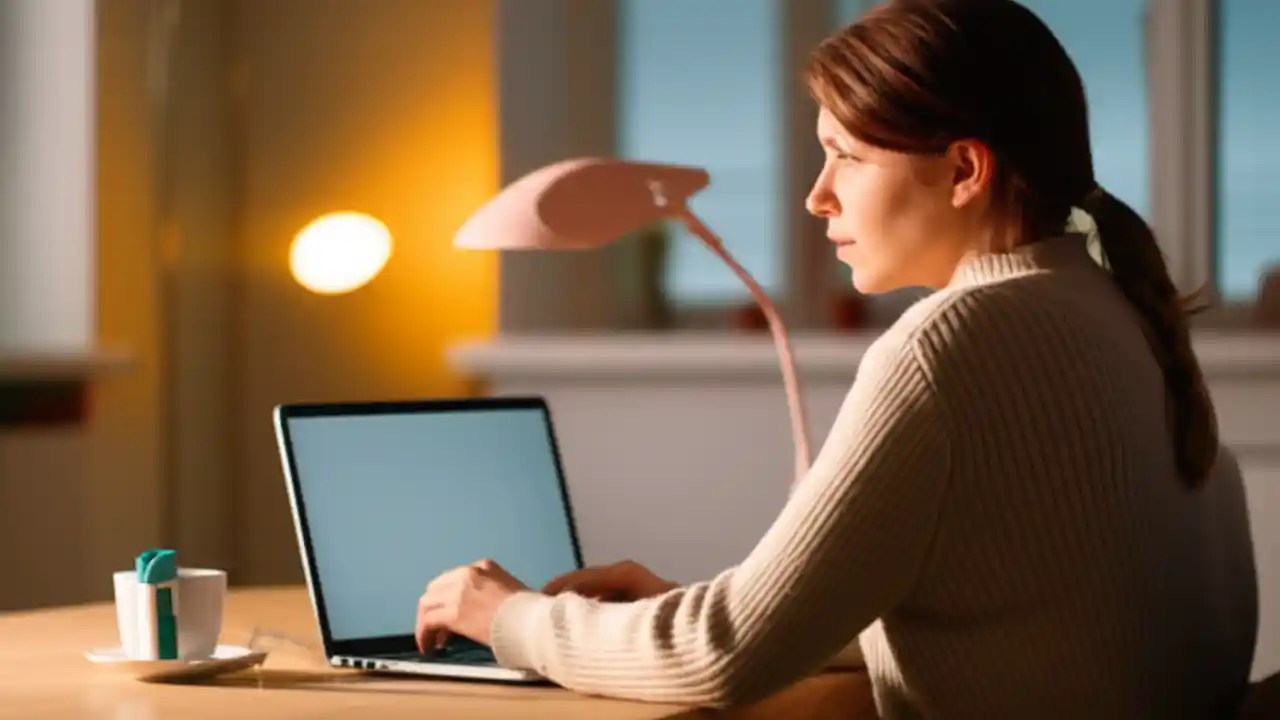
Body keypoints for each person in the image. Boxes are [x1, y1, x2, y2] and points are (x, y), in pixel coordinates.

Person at [413, 0, 1259, 716]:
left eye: (847, 156)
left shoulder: (954, 342)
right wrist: (689, 607)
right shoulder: (1118, 313)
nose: (817, 195)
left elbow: (725, 654)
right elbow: (1026, 618)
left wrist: (511, 617)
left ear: (964, 168)